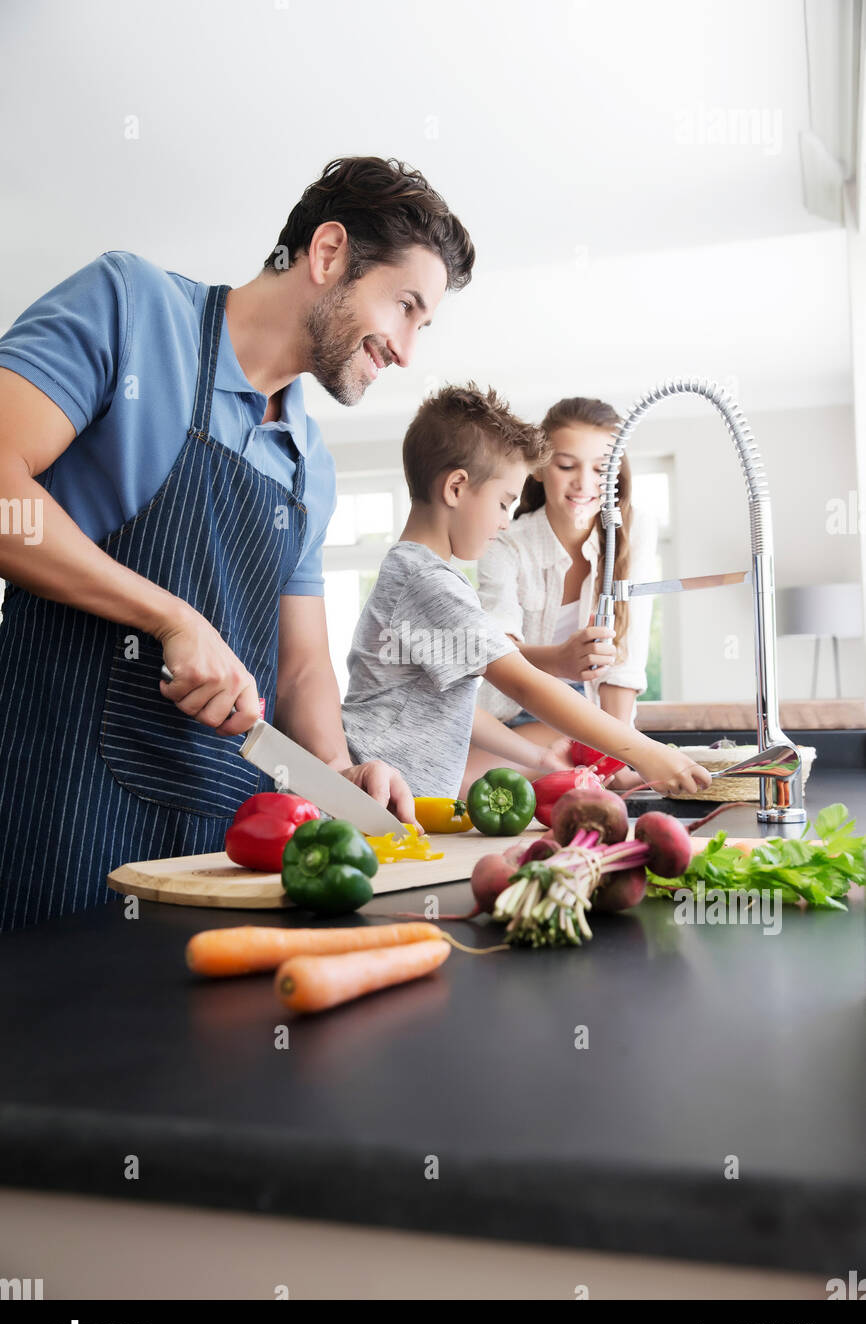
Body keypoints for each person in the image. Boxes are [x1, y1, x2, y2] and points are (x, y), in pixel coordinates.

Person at [0, 156, 474, 928]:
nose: (408, 350)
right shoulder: (131, 307)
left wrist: (339, 773)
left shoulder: (307, 463)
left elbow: (301, 665)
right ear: (327, 255)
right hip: (56, 813)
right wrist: (172, 620)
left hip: (222, 857)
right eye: (405, 307)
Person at [340, 383, 712, 801]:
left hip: (391, 797)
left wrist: (539, 758)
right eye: (503, 503)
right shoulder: (429, 584)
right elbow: (525, 685)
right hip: (374, 798)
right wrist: (646, 752)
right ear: (456, 488)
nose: (505, 522)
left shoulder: (418, 574)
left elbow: (462, 713)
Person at [463, 396, 657, 795]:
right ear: (538, 469)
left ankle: (577, 772)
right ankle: (571, 773)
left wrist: (616, 753)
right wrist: (560, 661)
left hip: (597, 721)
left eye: (602, 469)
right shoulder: (507, 541)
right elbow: (494, 647)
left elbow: (626, 660)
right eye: (566, 465)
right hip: (514, 714)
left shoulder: (632, 532)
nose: (584, 483)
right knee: (453, 788)